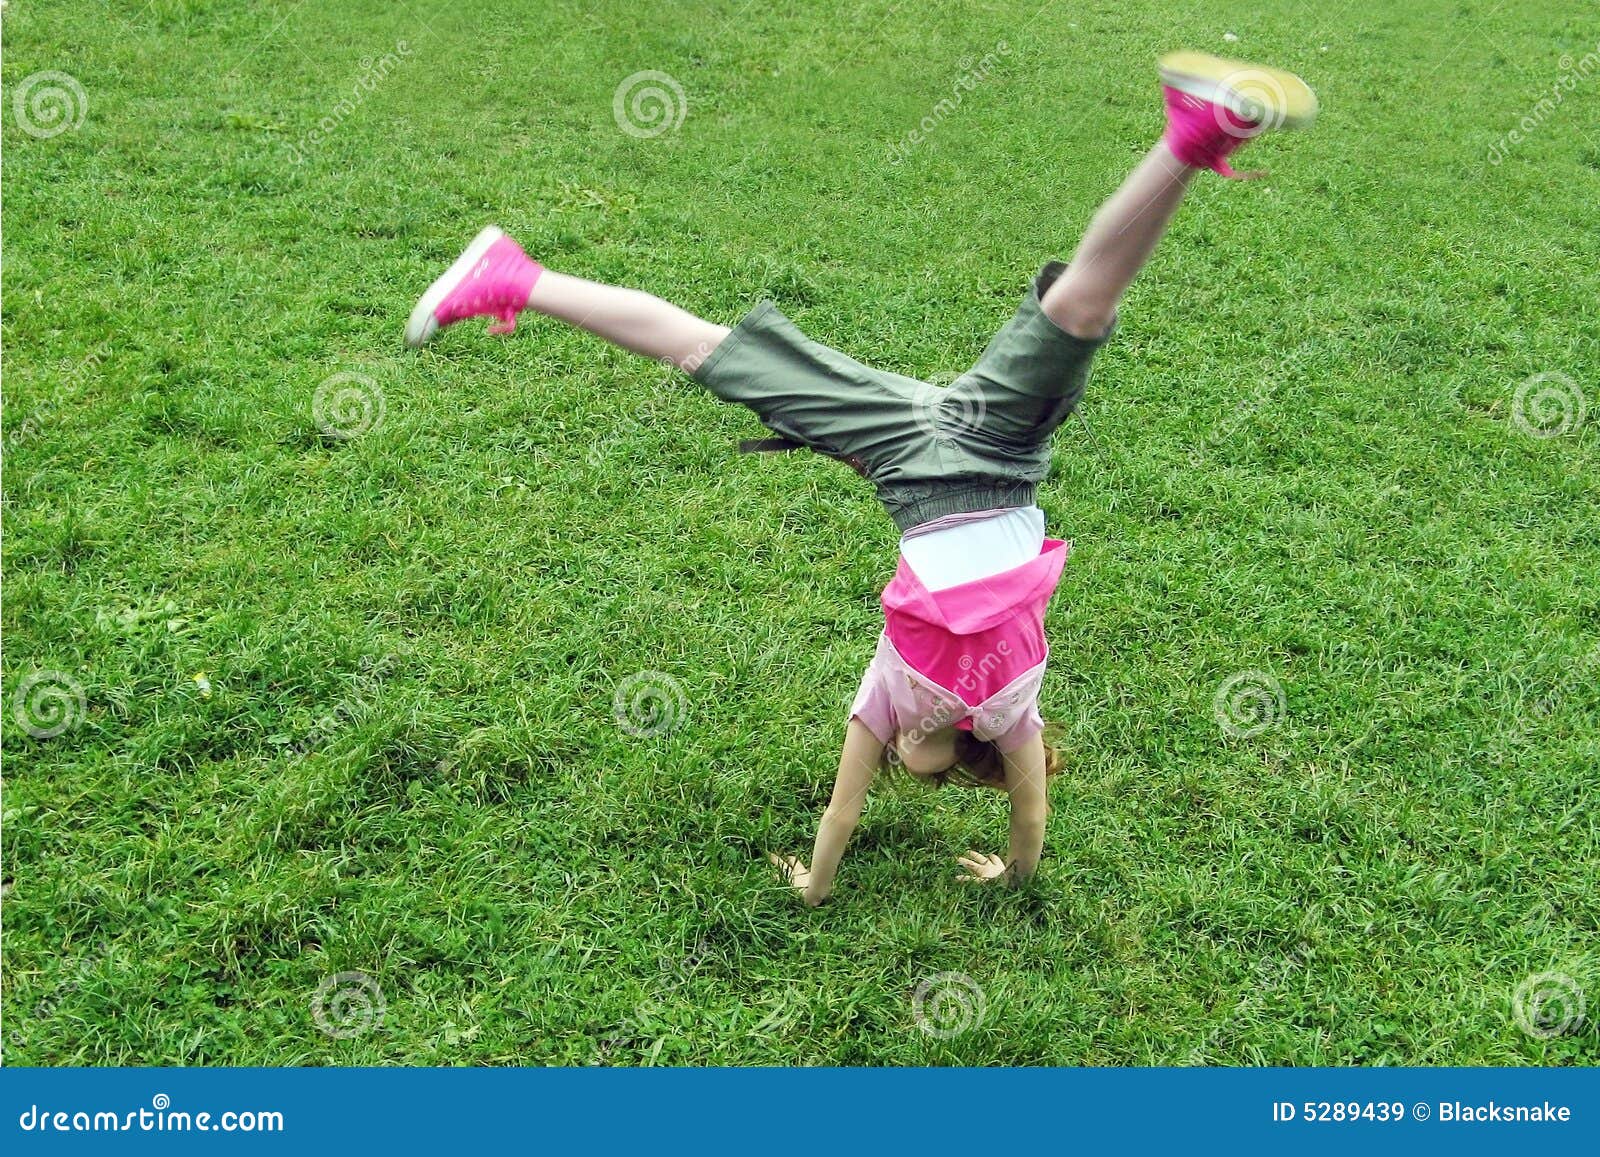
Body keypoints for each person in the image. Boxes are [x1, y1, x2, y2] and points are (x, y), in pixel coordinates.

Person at [405, 51, 1318, 904]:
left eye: (897, 761)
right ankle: (1189, 139)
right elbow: (1031, 814)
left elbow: (842, 812)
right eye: (925, 762)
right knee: (1080, 306)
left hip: (912, 471)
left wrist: (815, 883)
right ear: (963, 752)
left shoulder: (885, 697)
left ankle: (517, 276)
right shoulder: (1010, 709)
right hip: (999, 450)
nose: (904, 759)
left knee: (710, 355)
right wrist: (1015, 872)